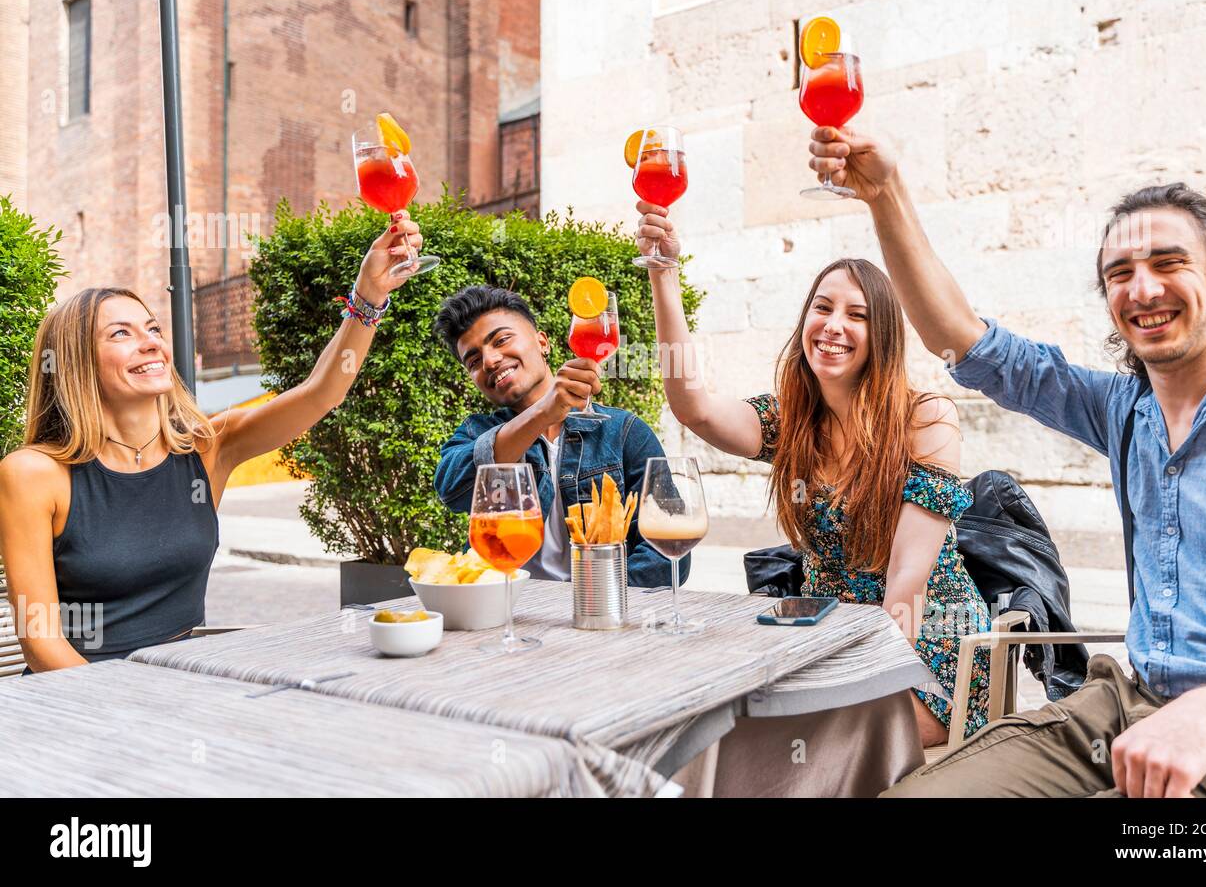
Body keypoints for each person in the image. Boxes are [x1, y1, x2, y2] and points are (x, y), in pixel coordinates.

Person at [807, 123, 1206, 797]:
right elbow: (961, 341)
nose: (1143, 288)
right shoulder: (1125, 410)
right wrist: (885, 193)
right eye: (1120, 274)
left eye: (1168, 263)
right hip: (1126, 710)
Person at [0, 211, 423, 673]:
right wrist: (129, 708)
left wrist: (369, 295)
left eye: (153, 329)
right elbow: (42, 647)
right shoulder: (34, 474)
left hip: (185, 680)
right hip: (81, 697)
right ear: (75, 362)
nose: (150, 343)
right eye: (121, 334)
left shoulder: (204, 448)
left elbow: (324, 391)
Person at [634, 203, 992, 747]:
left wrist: (841, 679)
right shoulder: (789, 421)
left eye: (857, 314)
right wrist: (664, 275)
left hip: (926, 652)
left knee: (793, 737)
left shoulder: (927, 417)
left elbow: (906, 585)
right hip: (823, 636)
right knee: (709, 715)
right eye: (822, 308)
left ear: (884, 334)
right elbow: (695, 409)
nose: (833, 326)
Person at [432, 285, 682, 587]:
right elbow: (452, 490)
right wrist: (543, 413)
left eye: (501, 340)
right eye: (473, 361)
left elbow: (667, 551)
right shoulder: (476, 432)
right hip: (508, 611)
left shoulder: (624, 431)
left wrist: (593, 600)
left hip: (598, 612)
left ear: (542, 342)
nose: (490, 361)